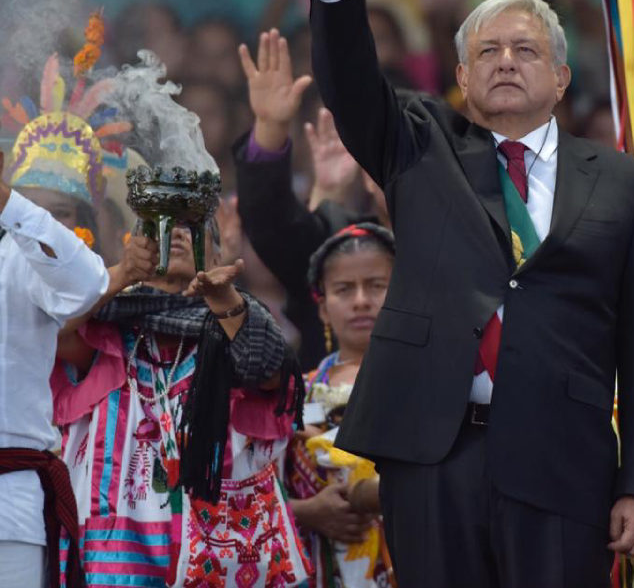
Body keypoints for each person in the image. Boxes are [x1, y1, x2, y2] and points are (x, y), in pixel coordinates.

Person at [309, 0, 634, 587]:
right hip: (434, 450)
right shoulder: (419, 140)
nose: (507, 61)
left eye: (526, 50)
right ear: (464, 76)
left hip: (562, 455)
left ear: (562, 76)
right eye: (489, 51)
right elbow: (349, 83)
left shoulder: (626, 183)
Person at [53, 217, 309, 587]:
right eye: (157, 225)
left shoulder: (241, 319)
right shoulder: (105, 325)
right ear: (135, 246)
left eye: (190, 226)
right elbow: (46, 329)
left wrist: (222, 301)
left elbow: (268, 369)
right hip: (121, 554)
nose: (174, 233)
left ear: (217, 254)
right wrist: (122, 274)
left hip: (225, 550)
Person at [0, 85, 158, 588]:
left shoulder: (19, 259)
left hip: (8, 501)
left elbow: (84, 285)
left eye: (58, 210)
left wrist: (12, 205)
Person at [232, 29, 365, 368]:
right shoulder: (333, 248)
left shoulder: (438, 240)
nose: (362, 301)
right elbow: (273, 226)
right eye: (346, 288)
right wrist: (270, 129)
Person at [287, 223, 396, 587]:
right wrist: (305, 512)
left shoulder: (433, 387)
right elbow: (249, 489)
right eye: (344, 289)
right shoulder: (292, 395)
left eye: (377, 286)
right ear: (322, 308)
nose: (361, 300)